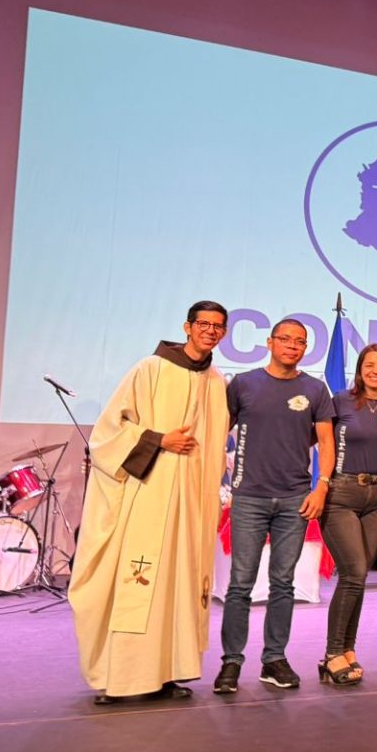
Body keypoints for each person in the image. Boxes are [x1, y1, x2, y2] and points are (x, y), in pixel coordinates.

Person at [69, 301, 232, 704]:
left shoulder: (216, 381)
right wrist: (159, 440)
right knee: (138, 583)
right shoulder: (151, 369)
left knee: (179, 583)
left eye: (218, 326)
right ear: (188, 327)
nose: (211, 331)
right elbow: (109, 430)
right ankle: (120, 676)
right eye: (204, 324)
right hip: (148, 495)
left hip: (191, 502)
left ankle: (170, 672)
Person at [213, 318, 335, 695]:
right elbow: (218, 431)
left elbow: (327, 445)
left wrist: (322, 488)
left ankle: (274, 659)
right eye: (286, 339)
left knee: (283, 584)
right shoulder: (244, 384)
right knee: (240, 584)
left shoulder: (315, 389)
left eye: (300, 342)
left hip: (295, 499)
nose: (293, 346)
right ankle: (231, 663)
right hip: (249, 497)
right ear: (270, 342)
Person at [316, 342, 377, 687]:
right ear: (360, 367)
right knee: (353, 571)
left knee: (359, 576)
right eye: (370, 364)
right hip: (342, 493)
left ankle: (347, 649)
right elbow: (322, 442)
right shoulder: (340, 401)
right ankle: (332, 653)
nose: (376, 370)